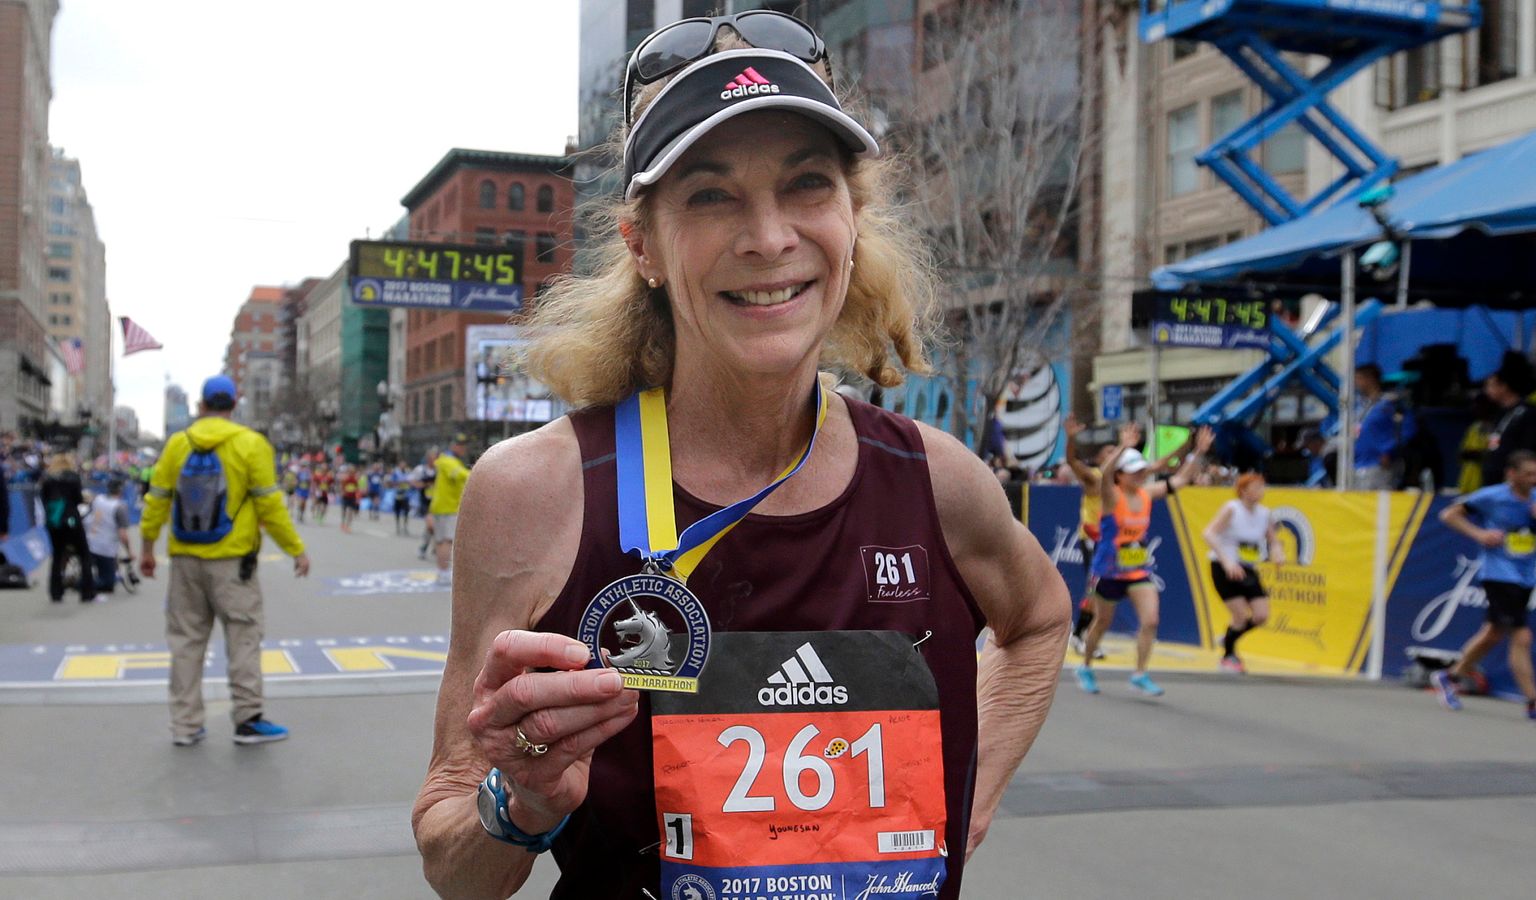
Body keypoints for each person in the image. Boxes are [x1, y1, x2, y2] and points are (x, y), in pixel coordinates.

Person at [413, 20, 1071, 898]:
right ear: (642, 245)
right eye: (712, 196)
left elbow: (1038, 621)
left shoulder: (936, 478)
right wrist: (523, 801)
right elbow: (454, 864)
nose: (768, 238)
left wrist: (968, 795)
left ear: (852, 216)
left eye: (806, 186)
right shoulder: (537, 491)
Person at [140, 375, 311, 746]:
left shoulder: (176, 445)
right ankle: (248, 720)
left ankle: (185, 725)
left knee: (185, 643)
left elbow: (156, 500)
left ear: (201, 405)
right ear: (234, 404)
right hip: (234, 564)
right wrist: (295, 549)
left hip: (184, 560)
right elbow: (270, 505)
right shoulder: (250, 444)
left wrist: (147, 548)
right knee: (243, 638)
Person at [1078, 422, 1212, 697]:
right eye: (1133, 471)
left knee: (1150, 620)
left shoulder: (1146, 494)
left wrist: (1197, 453)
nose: (1140, 475)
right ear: (1121, 475)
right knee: (1101, 623)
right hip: (1109, 570)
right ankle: (1086, 666)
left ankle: (1140, 673)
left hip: (1137, 570)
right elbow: (1104, 476)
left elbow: (1180, 481)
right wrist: (1123, 447)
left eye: (1141, 470)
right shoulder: (1111, 497)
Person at [1429, 450, 1536, 721]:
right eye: (1528, 474)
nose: (1534, 479)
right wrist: (1479, 534)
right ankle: (1534, 703)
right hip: (1499, 574)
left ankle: (1450, 676)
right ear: (1511, 474)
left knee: (1492, 633)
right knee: (1521, 636)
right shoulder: (1492, 496)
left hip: (1526, 574)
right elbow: (1449, 514)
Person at [1202, 472, 1281, 673]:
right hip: (1224, 567)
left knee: (1261, 615)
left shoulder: (1265, 513)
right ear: (1244, 491)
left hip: (1247, 568)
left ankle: (1229, 637)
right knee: (1239, 614)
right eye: (1256, 488)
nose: (1261, 492)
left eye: (1263, 487)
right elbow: (1209, 533)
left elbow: (1272, 540)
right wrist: (1227, 562)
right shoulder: (1232, 509)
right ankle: (1228, 656)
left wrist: (1277, 553)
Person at [1060, 415, 1115, 658]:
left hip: (1113, 541)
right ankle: (1081, 633)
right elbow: (1072, 460)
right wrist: (1070, 439)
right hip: (1093, 538)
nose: (1116, 456)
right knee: (1095, 587)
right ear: (1101, 458)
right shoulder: (1094, 477)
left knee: (1105, 590)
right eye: (1111, 451)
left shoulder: (1121, 482)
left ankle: (1088, 633)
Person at [40, 452, 97, 603]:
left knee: (57, 556)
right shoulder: (73, 477)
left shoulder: (47, 479)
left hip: (54, 522)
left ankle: (55, 592)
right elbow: (78, 498)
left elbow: (43, 499)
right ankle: (87, 591)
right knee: (84, 554)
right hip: (71, 520)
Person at [1480, 366, 1536, 487]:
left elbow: (1530, 448)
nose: (1487, 390)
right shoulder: (1499, 412)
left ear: (1504, 386)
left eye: (1490, 385)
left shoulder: (1528, 412)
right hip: (1492, 476)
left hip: (1513, 482)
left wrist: (1517, 474)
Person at [1351, 364, 1409, 490]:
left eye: (1359, 378)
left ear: (1370, 379)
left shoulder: (1390, 404)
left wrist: (1389, 451)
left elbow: (1407, 429)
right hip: (1358, 465)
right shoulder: (1361, 407)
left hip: (1380, 466)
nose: (1356, 383)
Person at [427, 434, 471, 586]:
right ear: (454, 446)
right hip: (448, 507)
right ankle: (444, 572)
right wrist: (479, 475)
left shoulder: (447, 461)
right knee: (446, 540)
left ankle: (442, 571)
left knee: (441, 541)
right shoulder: (449, 461)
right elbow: (462, 475)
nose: (464, 449)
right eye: (461, 446)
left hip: (442, 507)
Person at [85, 476, 133, 594]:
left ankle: (90, 578)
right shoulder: (119, 507)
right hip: (105, 548)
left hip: (90, 542)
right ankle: (84, 584)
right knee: (107, 585)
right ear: (121, 491)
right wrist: (129, 552)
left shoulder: (98, 499)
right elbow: (123, 535)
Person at [1456, 392, 1496, 494]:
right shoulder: (1474, 427)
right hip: (1467, 484)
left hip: (1486, 484)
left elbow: (1492, 454)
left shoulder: (1496, 428)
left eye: (1479, 405)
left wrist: (1475, 454)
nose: (1475, 408)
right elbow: (1462, 453)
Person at [412, 449, 437, 559]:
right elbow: (413, 482)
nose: (434, 461)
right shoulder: (420, 469)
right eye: (431, 458)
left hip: (437, 502)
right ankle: (424, 547)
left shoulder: (439, 470)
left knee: (434, 527)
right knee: (430, 525)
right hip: (425, 502)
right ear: (427, 459)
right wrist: (424, 485)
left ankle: (432, 546)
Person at [389, 463, 412, 535]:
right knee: (397, 512)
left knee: (406, 512)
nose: (403, 466)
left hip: (405, 496)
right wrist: (399, 483)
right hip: (397, 495)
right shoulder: (396, 473)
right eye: (402, 465)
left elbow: (411, 482)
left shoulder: (408, 473)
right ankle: (398, 526)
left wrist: (408, 483)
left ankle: (405, 527)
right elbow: (391, 482)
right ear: (399, 466)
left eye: (404, 465)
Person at [338, 463, 361, 533]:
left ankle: (348, 526)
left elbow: (357, 488)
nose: (352, 473)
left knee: (350, 511)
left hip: (352, 497)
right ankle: (343, 522)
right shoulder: (345, 479)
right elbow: (341, 487)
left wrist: (357, 497)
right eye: (350, 471)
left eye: (353, 471)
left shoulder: (355, 480)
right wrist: (342, 492)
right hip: (345, 497)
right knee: (344, 511)